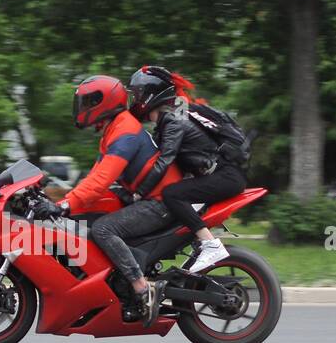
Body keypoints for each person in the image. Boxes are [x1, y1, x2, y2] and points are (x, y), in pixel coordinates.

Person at [32, 74, 181, 324]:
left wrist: (65, 205)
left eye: (88, 102)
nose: (83, 108)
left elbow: (101, 180)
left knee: (103, 229)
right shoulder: (116, 129)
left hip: (161, 202)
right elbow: (95, 178)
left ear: (104, 102)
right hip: (150, 198)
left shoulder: (126, 132)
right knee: (88, 214)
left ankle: (143, 288)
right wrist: (64, 202)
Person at [127, 65, 249, 273]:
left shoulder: (174, 119)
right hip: (222, 174)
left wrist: (139, 193)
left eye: (138, 94)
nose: (136, 100)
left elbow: (164, 161)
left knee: (172, 195)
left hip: (226, 176)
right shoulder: (172, 115)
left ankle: (210, 244)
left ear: (151, 94)